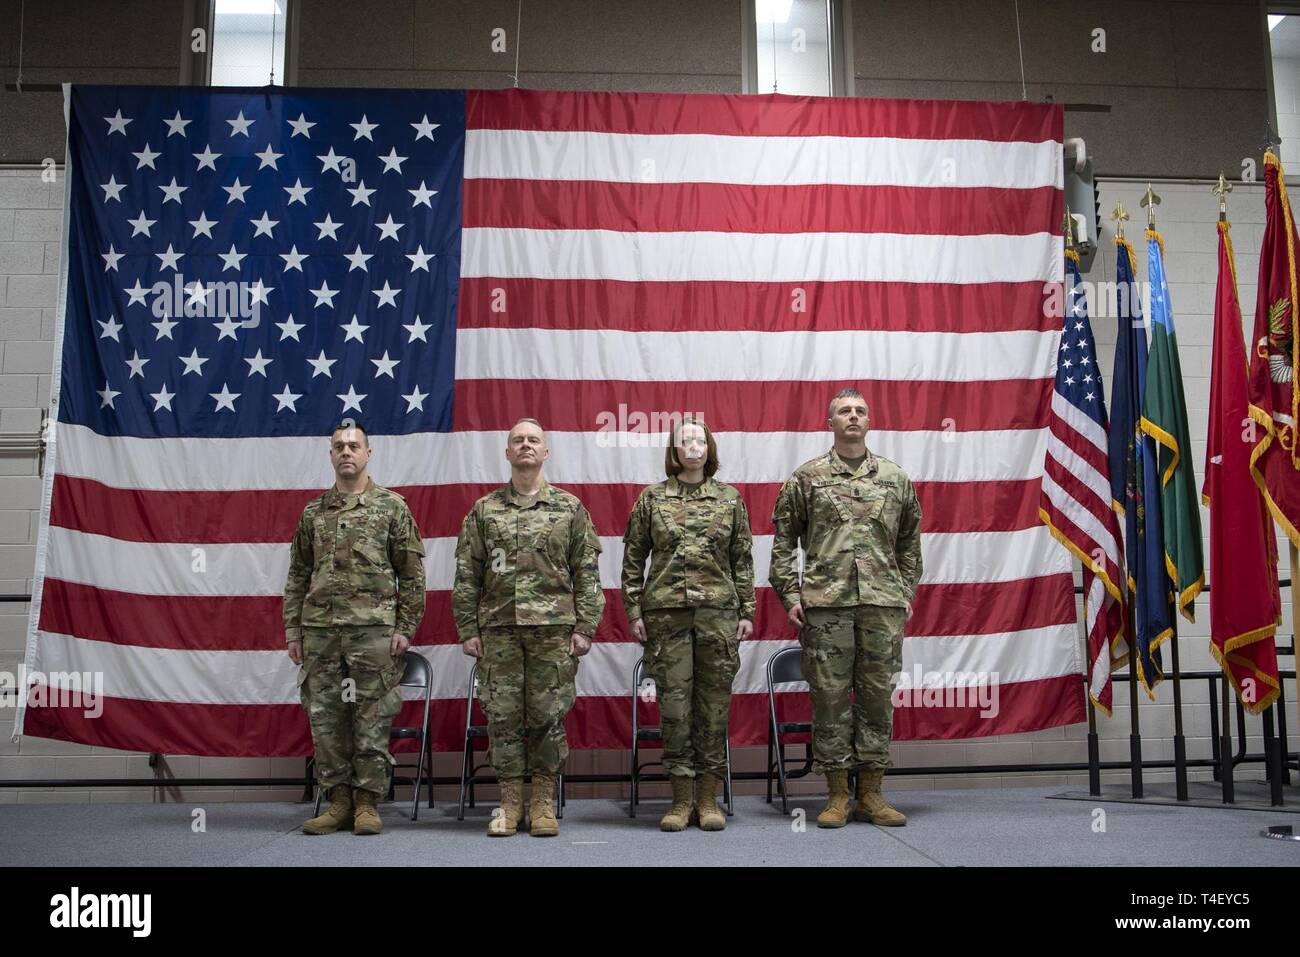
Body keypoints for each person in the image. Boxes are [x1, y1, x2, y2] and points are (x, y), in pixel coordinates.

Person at [769, 389, 923, 828]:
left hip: (881, 606)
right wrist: (790, 594)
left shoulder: (894, 478)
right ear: (830, 422)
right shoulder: (807, 478)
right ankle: (837, 794)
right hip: (826, 607)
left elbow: (911, 541)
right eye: (844, 411)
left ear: (868, 422)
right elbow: (783, 544)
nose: (852, 416)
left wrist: (903, 589)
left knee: (877, 699)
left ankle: (872, 794)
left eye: (859, 411)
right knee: (830, 699)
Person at [451, 418, 605, 837]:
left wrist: (586, 626)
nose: (525, 446)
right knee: (501, 717)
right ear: (507, 453)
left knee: (547, 716)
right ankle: (507, 803)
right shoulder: (485, 511)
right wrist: (468, 627)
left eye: (533, 440)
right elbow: (468, 575)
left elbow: (586, 573)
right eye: (517, 440)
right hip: (498, 631)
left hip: (553, 631)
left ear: (545, 451)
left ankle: (541, 802)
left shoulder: (569, 509)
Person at [284, 422, 427, 836]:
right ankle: (338, 802)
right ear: (331, 456)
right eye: (338, 447)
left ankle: (367, 803)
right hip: (321, 633)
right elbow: (298, 574)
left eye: (353, 446)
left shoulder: (392, 508)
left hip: (373, 633)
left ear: (368, 454)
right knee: (326, 720)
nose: (346, 452)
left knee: (372, 717)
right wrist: (294, 630)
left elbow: (412, 574)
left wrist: (406, 625)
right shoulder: (313, 512)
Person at [621, 418, 754, 831]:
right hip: (666, 617)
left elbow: (742, 559)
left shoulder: (730, 499)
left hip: (718, 616)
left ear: (709, 448)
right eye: (685, 441)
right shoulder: (652, 500)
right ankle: (680, 801)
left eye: (699, 440)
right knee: (676, 711)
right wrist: (633, 610)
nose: (693, 447)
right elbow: (632, 560)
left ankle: (709, 800)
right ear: (674, 450)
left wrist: (747, 610)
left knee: (713, 710)